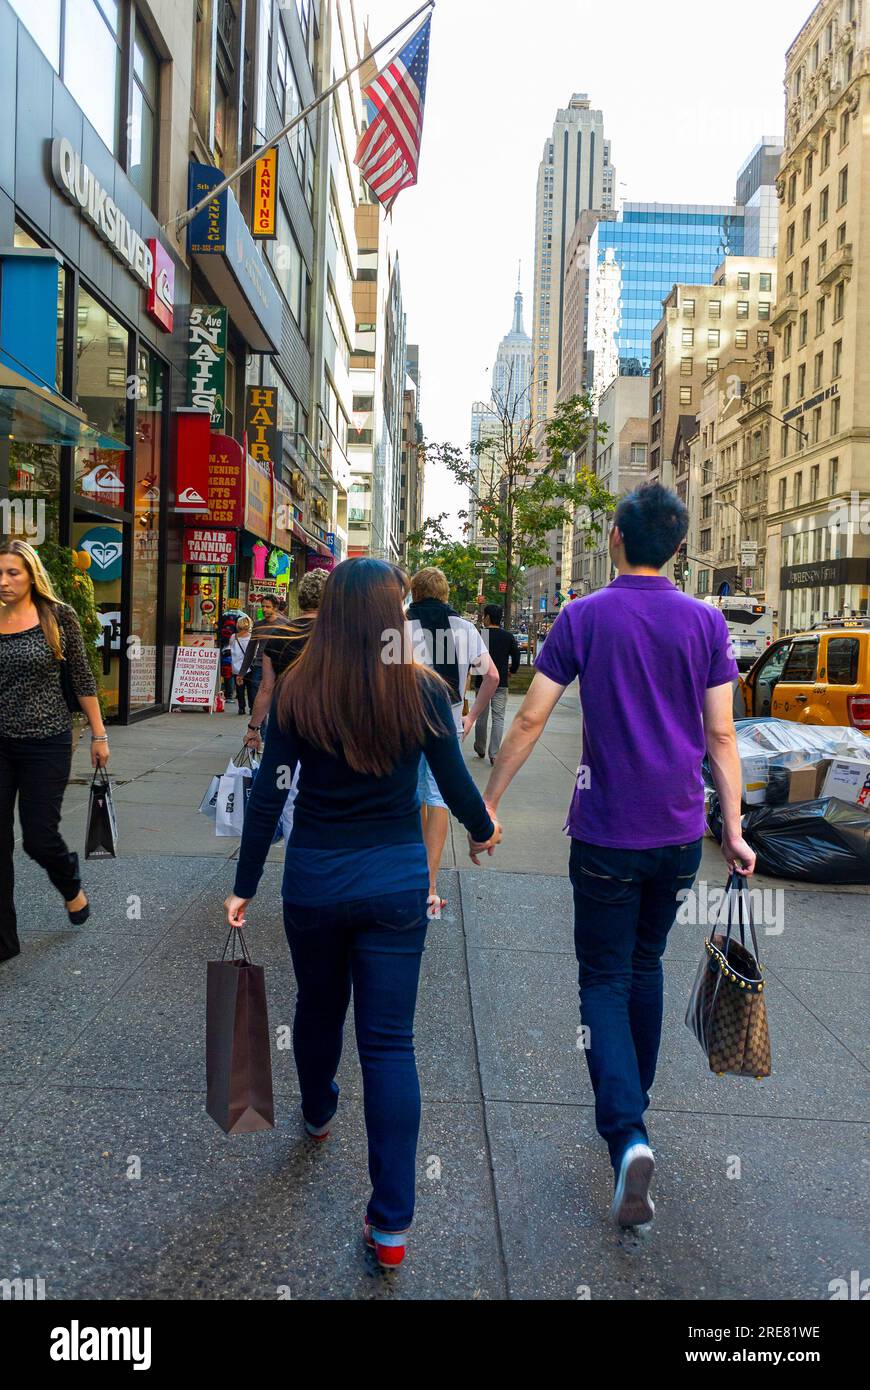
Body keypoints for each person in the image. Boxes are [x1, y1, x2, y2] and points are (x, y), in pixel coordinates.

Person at [483, 483, 756, 1229]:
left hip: (605, 831)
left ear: (614, 537)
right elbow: (722, 739)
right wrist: (732, 828)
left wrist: (488, 804)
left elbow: (532, 715)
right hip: (674, 836)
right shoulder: (705, 622)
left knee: (602, 979)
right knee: (642, 968)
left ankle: (627, 1131)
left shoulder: (583, 616)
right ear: (675, 546)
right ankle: (635, 1112)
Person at [224, 558, 502, 1269]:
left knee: (318, 1006)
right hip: (395, 886)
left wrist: (245, 884)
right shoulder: (424, 692)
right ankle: (391, 1228)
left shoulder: (297, 694)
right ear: (392, 615)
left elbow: (268, 796)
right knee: (388, 1044)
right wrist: (481, 829)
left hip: (315, 881)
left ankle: (317, 1110)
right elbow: (454, 784)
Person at [0, 539, 110, 963]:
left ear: (31, 575)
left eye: (14, 572)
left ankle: (70, 885)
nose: (6, 581)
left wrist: (100, 735)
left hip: (46, 741)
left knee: (39, 838)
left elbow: (83, 678)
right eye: (1, 573)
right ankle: (5, 941)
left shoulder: (57, 616)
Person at [406, 568, 499, 909]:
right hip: (449, 716)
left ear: (414, 593)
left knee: (412, 794)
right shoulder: (465, 629)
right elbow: (491, 675)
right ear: (445, 594)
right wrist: (472, 715)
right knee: (439, 795)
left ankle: (412, 876)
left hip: (406, 719)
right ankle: (430, 885)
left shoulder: (400, 627)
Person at [242, 568, 329, 754]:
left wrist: (253, 729)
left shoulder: (280, 635)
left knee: (275, 779)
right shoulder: (339, 635)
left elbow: (266, 689)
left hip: (285, 722)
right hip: (327, 727)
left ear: (300, 598)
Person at [473, 604, 520, 764]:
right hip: (501, 682)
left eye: (484, 615)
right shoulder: (507, 636)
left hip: (482, 681)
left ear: (488, 617)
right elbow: (516, 656)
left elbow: (472, 659)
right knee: (498, 718)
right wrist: (512, 671)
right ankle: (494, 754)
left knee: (481, 717)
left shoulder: (481, 635)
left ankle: (480, 748)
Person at [237, 592, 292, 705]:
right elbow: (250, 650)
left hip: (277, 665)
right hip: (259, 665)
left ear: (275, 608)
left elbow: (290, 648)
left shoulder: (285, 624)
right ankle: (261, 721)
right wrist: (242, 672)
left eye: (268, 607)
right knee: (255, 694)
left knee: (275, 696)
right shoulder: (258, 625)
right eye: (262, 606)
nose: (264, 609)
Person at [229, 616, 253, 715]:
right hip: (249, 667)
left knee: (240, 688)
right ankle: (252, 708)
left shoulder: (233, 637)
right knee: (251, 688)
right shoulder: (251, 637)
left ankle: (241, 708)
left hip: (236, 667)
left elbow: (230, 647)